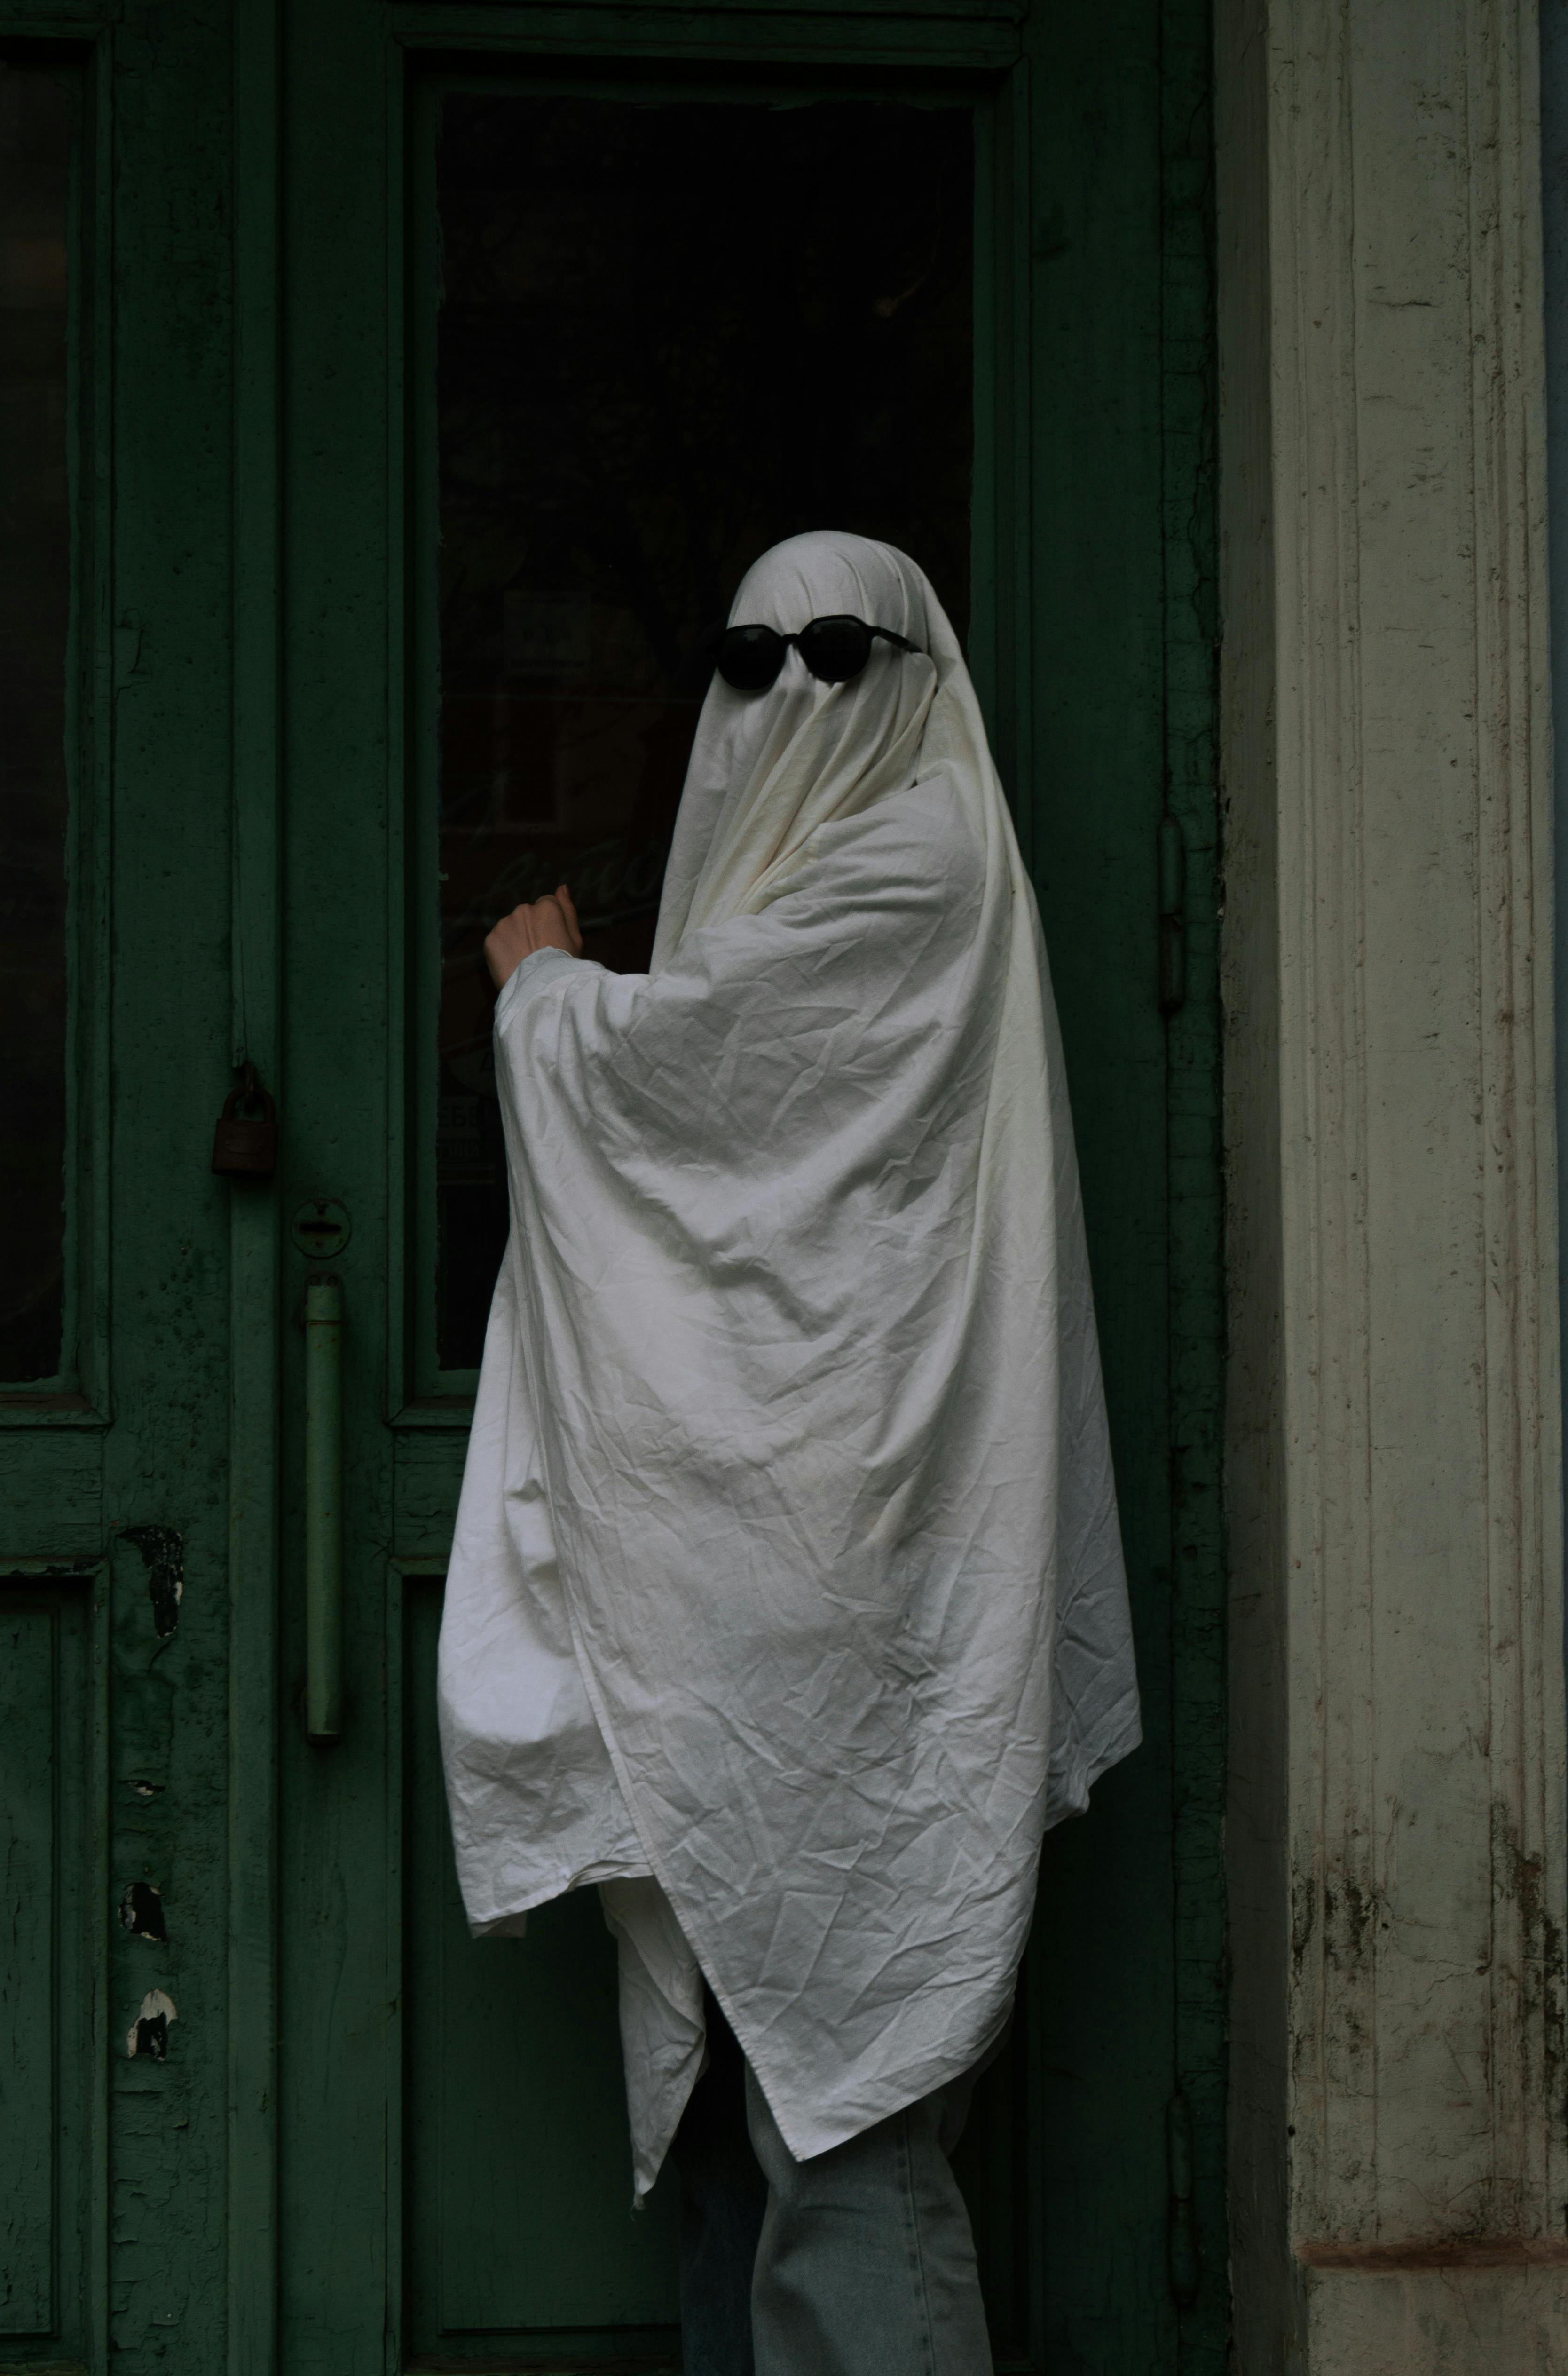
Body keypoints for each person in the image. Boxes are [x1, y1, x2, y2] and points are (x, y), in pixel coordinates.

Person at [437, 530, 1140, 2376]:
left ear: (912, 670)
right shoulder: (815, 878)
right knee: (765, 2088)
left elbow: (685, 1091)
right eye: (746, 661)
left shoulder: (911, 863)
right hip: (753, 1607)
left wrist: (541, 992)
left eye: (836, 647)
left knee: (848, 2100)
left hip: (865, 1598)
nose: (789, 693)